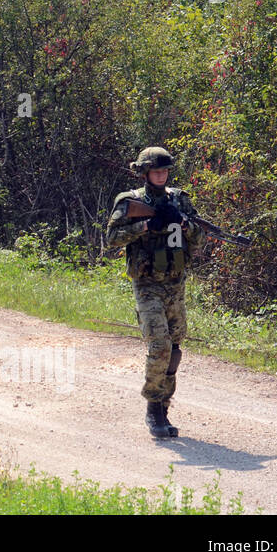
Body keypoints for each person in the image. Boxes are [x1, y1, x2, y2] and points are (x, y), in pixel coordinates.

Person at [104, 146, 205, 438]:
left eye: (164, 170)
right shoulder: (131, 202)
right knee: (158, 345)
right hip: (147, 283)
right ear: (145, 172)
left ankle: (164, 406)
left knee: (174, 348)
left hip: (175, 283)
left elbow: (200, 240)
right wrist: (147, 225)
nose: (161, 175)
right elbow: (111, 238)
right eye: (155, 171)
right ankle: (152, 407)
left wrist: (183, 222)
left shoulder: (180, 200)